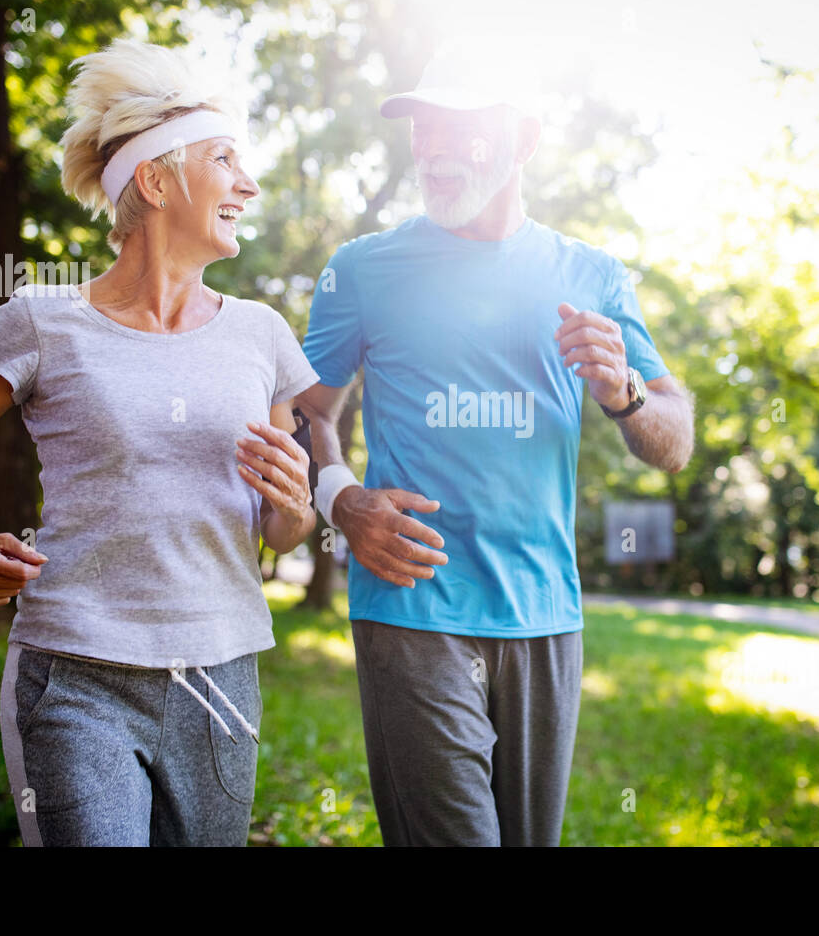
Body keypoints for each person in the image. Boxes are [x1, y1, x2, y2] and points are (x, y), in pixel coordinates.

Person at [0, 39, 320, 846]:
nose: (249, 184)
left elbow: (283, 534)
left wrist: (294, 506)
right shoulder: (42, 323)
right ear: (156, 182)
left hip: (221, 675)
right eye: (225, 159)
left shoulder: (262, 337)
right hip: (75, 670)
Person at [296, 46, 695, 846]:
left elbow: (675, 439)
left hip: (546, 614)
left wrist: (624, 393)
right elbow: (304, 415)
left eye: (460, 129)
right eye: (423, 129)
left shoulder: (592, 274)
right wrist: (340, 501)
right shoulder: (364, 269)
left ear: (524, 140)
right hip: (413, 601)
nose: (434, 149)